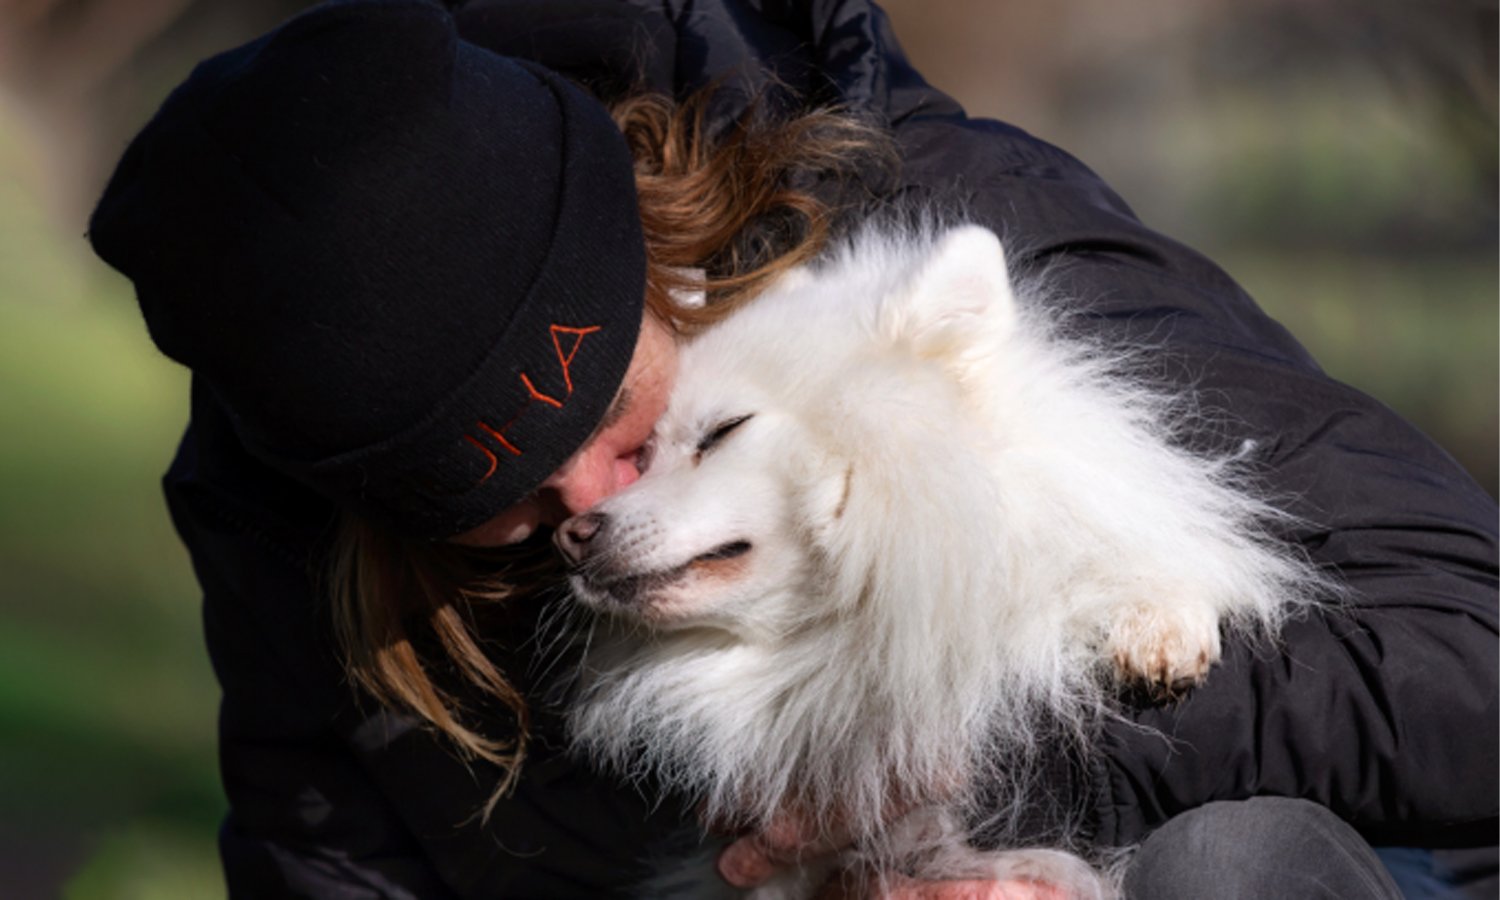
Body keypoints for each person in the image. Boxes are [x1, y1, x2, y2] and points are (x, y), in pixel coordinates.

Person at [87, 0, 1497, 898]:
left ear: (647, 264)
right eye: (485, 496)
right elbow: (329, 869)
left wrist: (994, 782)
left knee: (1227, 870)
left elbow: (1471, 663)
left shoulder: (938, 249)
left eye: (600, 404)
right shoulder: (289, 521)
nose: (585, 507)